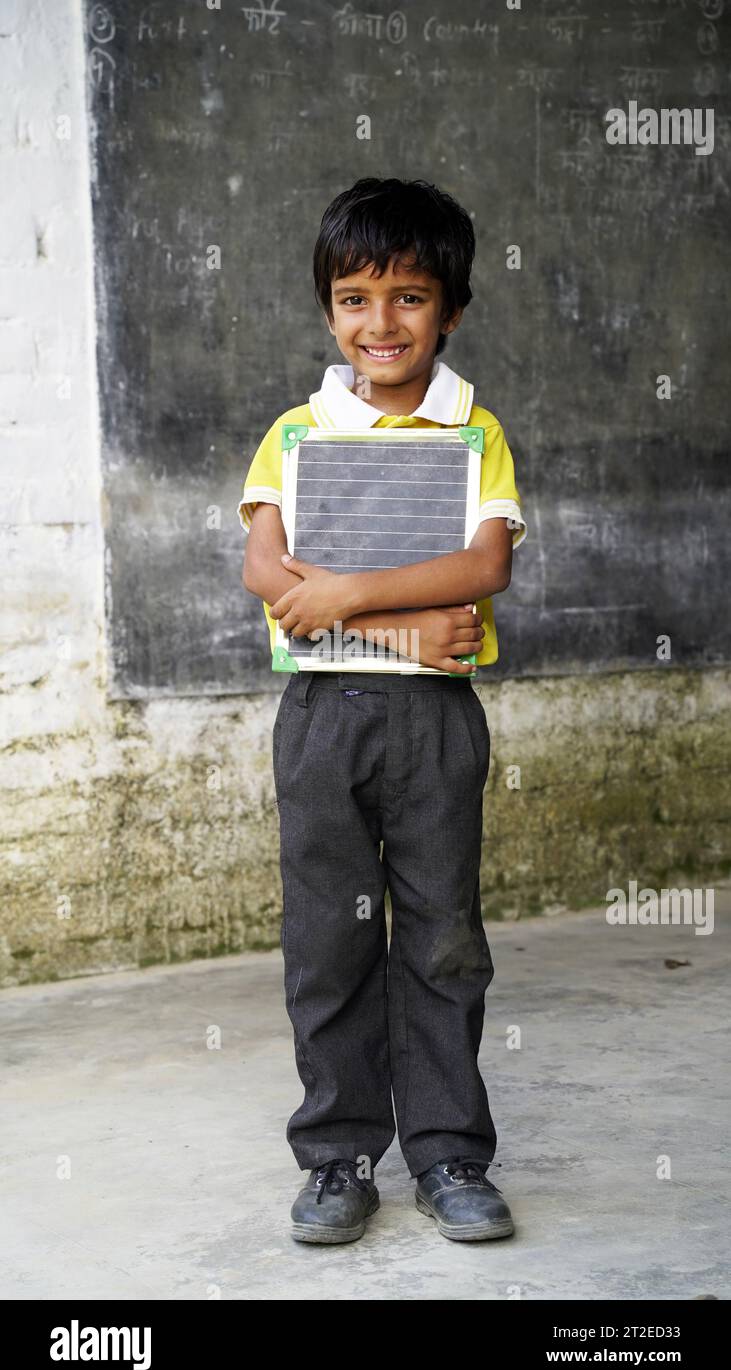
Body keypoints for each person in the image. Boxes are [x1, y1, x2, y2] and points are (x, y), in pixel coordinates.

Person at [239, 177, 527, 1244]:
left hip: (432, 728)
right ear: (328, 311)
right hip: (322, 717)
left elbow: (481, 561)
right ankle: (338, 1158)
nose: (381, 322)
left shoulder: (473, 431)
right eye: (355, 297)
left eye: (408, 297)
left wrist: (353, 594)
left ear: (448, 309)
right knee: (327, 941)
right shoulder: (297, 432)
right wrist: (404, 630)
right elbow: (266, 568)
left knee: (443, 938)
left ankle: (449, 1155)